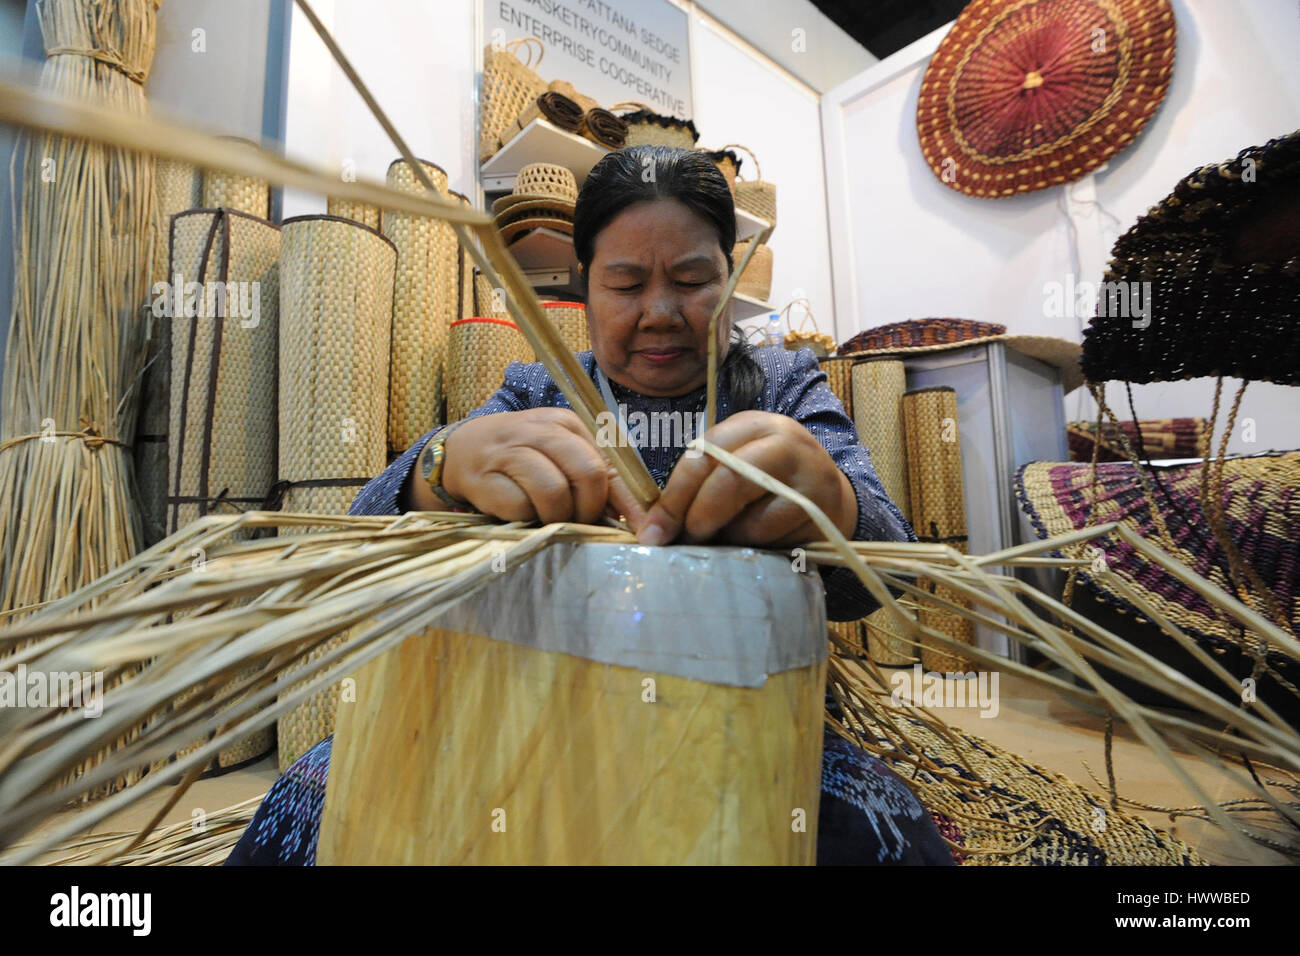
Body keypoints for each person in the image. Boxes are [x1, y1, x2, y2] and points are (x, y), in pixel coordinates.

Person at [226, 145, 952, 865]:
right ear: (586, 289)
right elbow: (367, 531)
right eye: (626, 283)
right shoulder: (538, 389)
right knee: (315, 795)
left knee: (883, 834)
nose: (662, 312)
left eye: (694, 278)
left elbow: (887, 574)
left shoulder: (783, 385)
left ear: (730, 277)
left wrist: (832, 504)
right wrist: (441, 467)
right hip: (531, 712)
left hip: (748, 712)